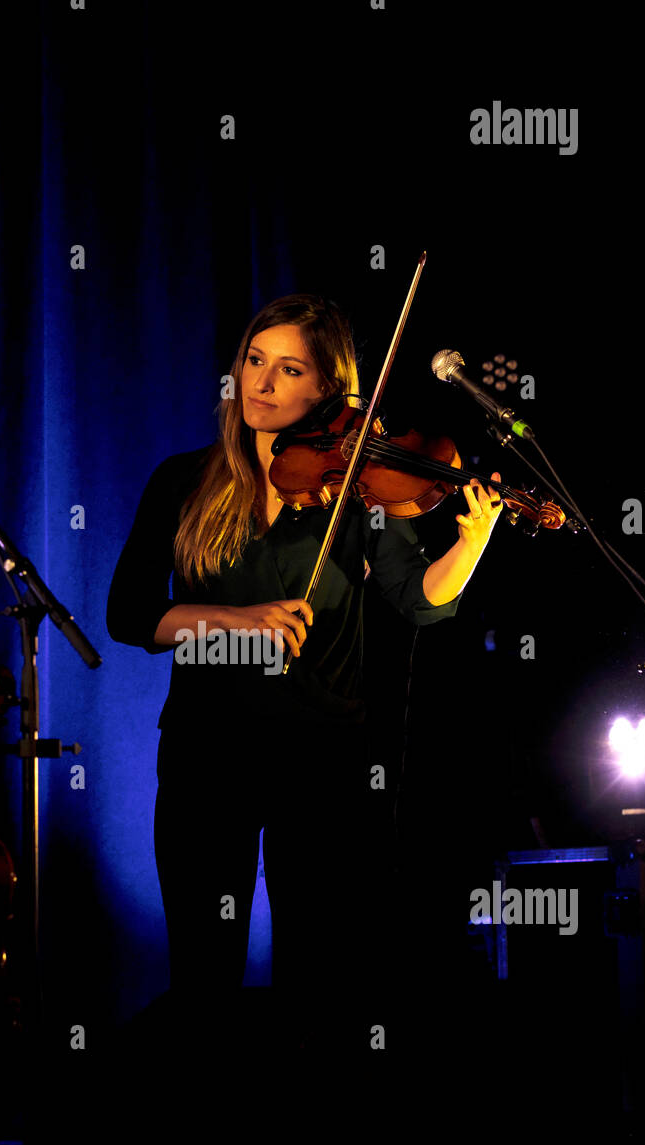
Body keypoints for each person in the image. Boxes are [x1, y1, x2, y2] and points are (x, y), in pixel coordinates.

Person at [106, 293, 501, 1037]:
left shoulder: (355, 488)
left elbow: (418, 600)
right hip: (205, 755)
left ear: (326, 390)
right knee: (202, 981)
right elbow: (130, 616)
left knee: (320, 986)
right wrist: (237, 620)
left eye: (288, 371)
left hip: (321, 761)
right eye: (255, 362)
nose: (260, 383)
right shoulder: (182, 482)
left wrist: (470, 542)